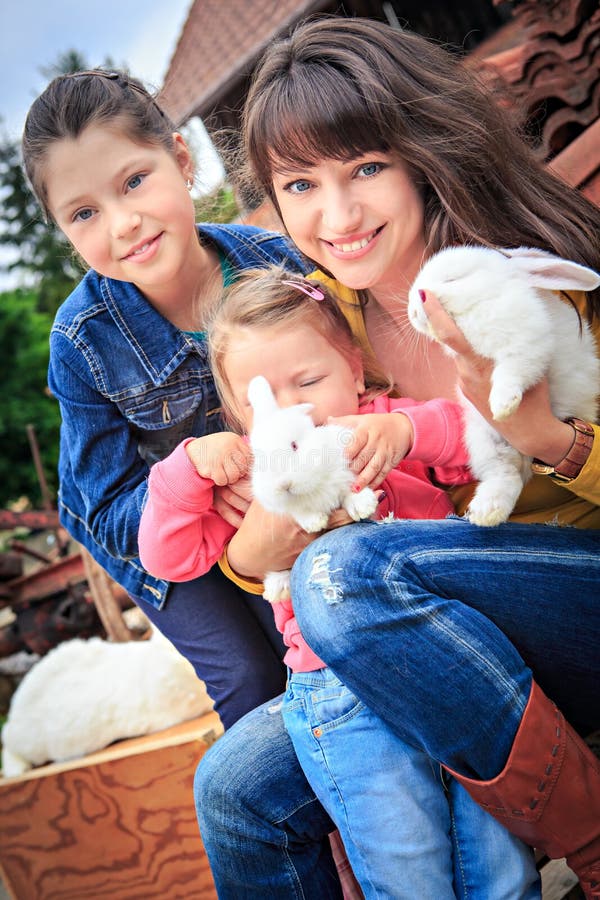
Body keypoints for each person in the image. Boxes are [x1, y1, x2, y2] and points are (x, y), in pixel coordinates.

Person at [192, 16, 600, 899]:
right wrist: (267, 536)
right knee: (234, 789)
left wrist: (547, 441)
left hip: (576, 594)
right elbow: (252, 554)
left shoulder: (522, 276)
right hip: (409, 624)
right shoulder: (314, 331)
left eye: (367, 168)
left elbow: (348, 567)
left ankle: (593, 838)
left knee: (347, 572)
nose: (336, 217)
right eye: (300, 184)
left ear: (422, 152)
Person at [138, 266, 540, 898]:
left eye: (311, 380)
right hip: (337, 689)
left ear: (354, 370)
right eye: (263, 396)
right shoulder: (251, 475)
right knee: (405, 866)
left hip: (443, 663)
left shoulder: (379, 425)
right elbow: (167, 558)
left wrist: (406, 432)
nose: (296, 406)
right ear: (238, 411)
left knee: (499, 862)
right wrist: (186, 470)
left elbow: (474, 445)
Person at [20, 69, 314, 729]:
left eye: (133, 182)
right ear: (65, 232)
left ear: (181, 159)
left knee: (310, 642)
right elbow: (105, 506)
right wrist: (201, 491)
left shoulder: (279, 266)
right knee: (251, 675)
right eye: (85, 213)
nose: (123, 224)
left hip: (275, 488)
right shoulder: (83, 340)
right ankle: (297, 823)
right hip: (148, 522)